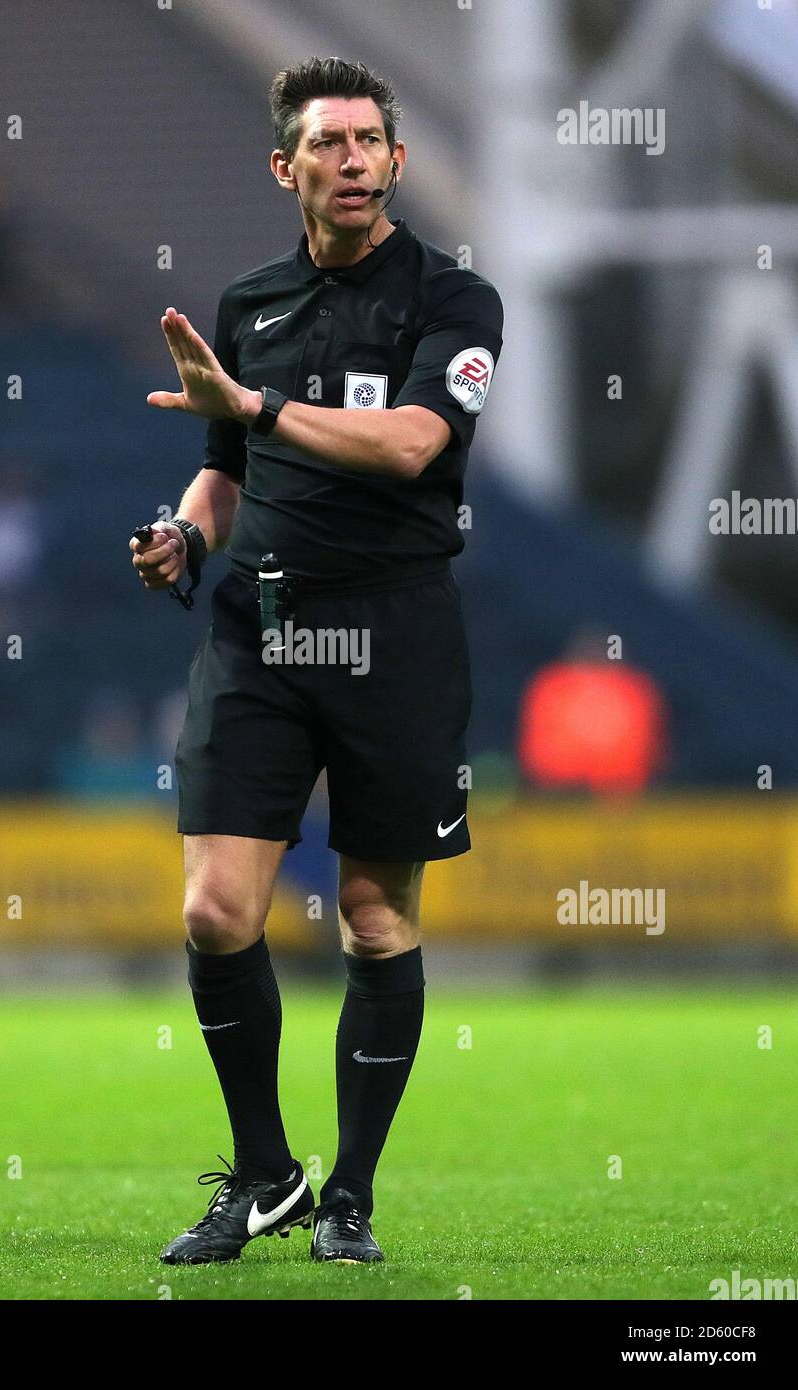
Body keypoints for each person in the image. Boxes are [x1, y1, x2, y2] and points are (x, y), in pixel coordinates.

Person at [129, 56, 503, 1265]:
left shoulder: (452, 298)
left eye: (366, 141)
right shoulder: (245, 306)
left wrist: (256, 408)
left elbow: (409, 443)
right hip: (262, 631)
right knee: (214, 907)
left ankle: (350, 1195)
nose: (348, 160)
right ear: (283, 165)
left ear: (396, 160)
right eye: (324, 143)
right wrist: (188, 527)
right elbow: (227, 473)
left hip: (393, 629)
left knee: (372, 919)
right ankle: (264, 1174)